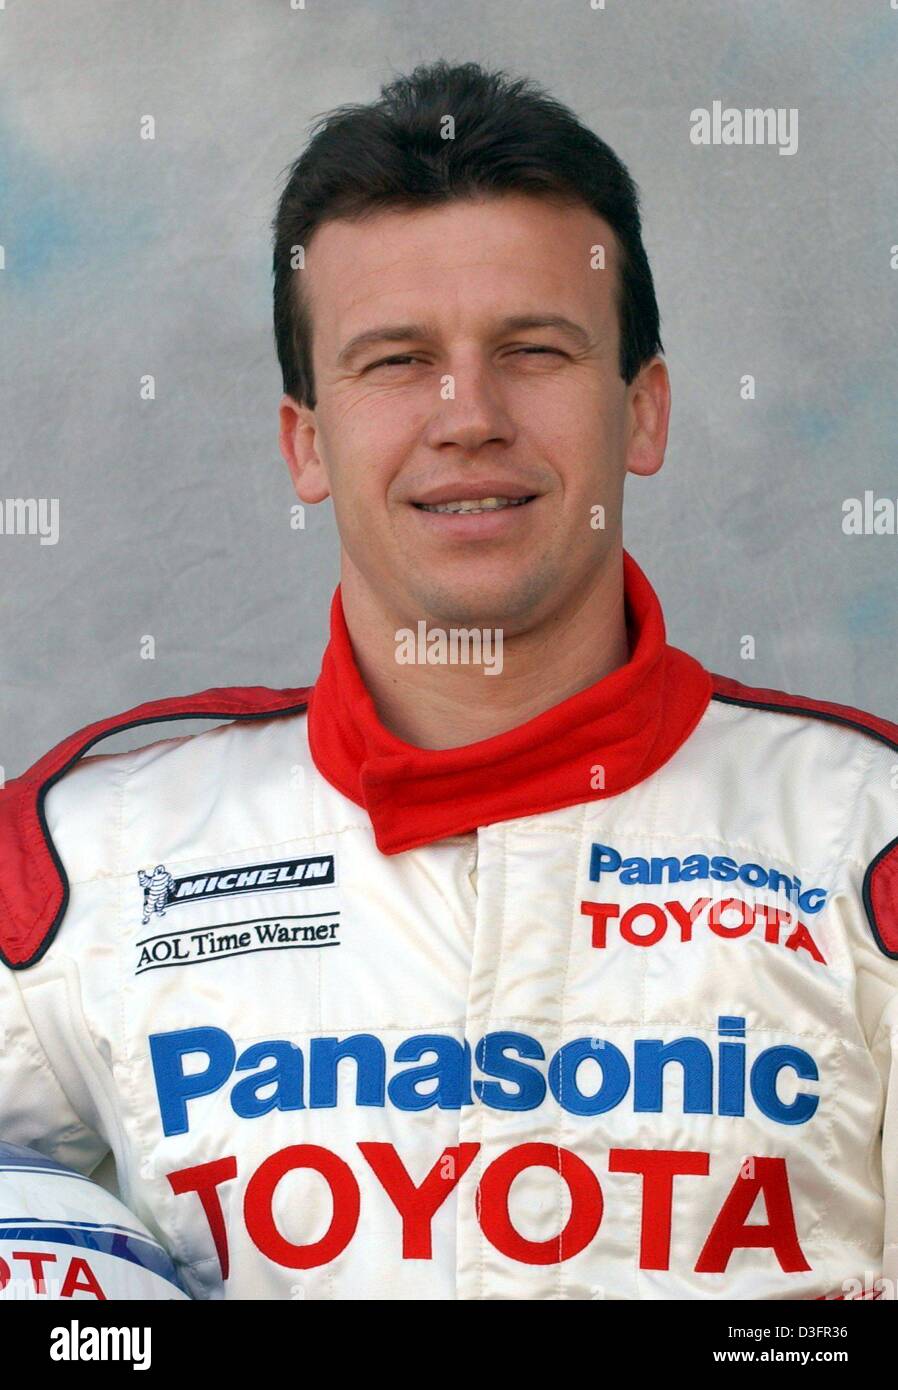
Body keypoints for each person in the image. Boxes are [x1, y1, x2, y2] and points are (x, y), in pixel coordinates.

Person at [1, 59, 895, 1302]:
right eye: (394, 360)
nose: (466, 414)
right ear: (305, 441)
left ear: (641, 411)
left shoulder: (865, 841)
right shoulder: (84, 857)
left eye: (532, 350)